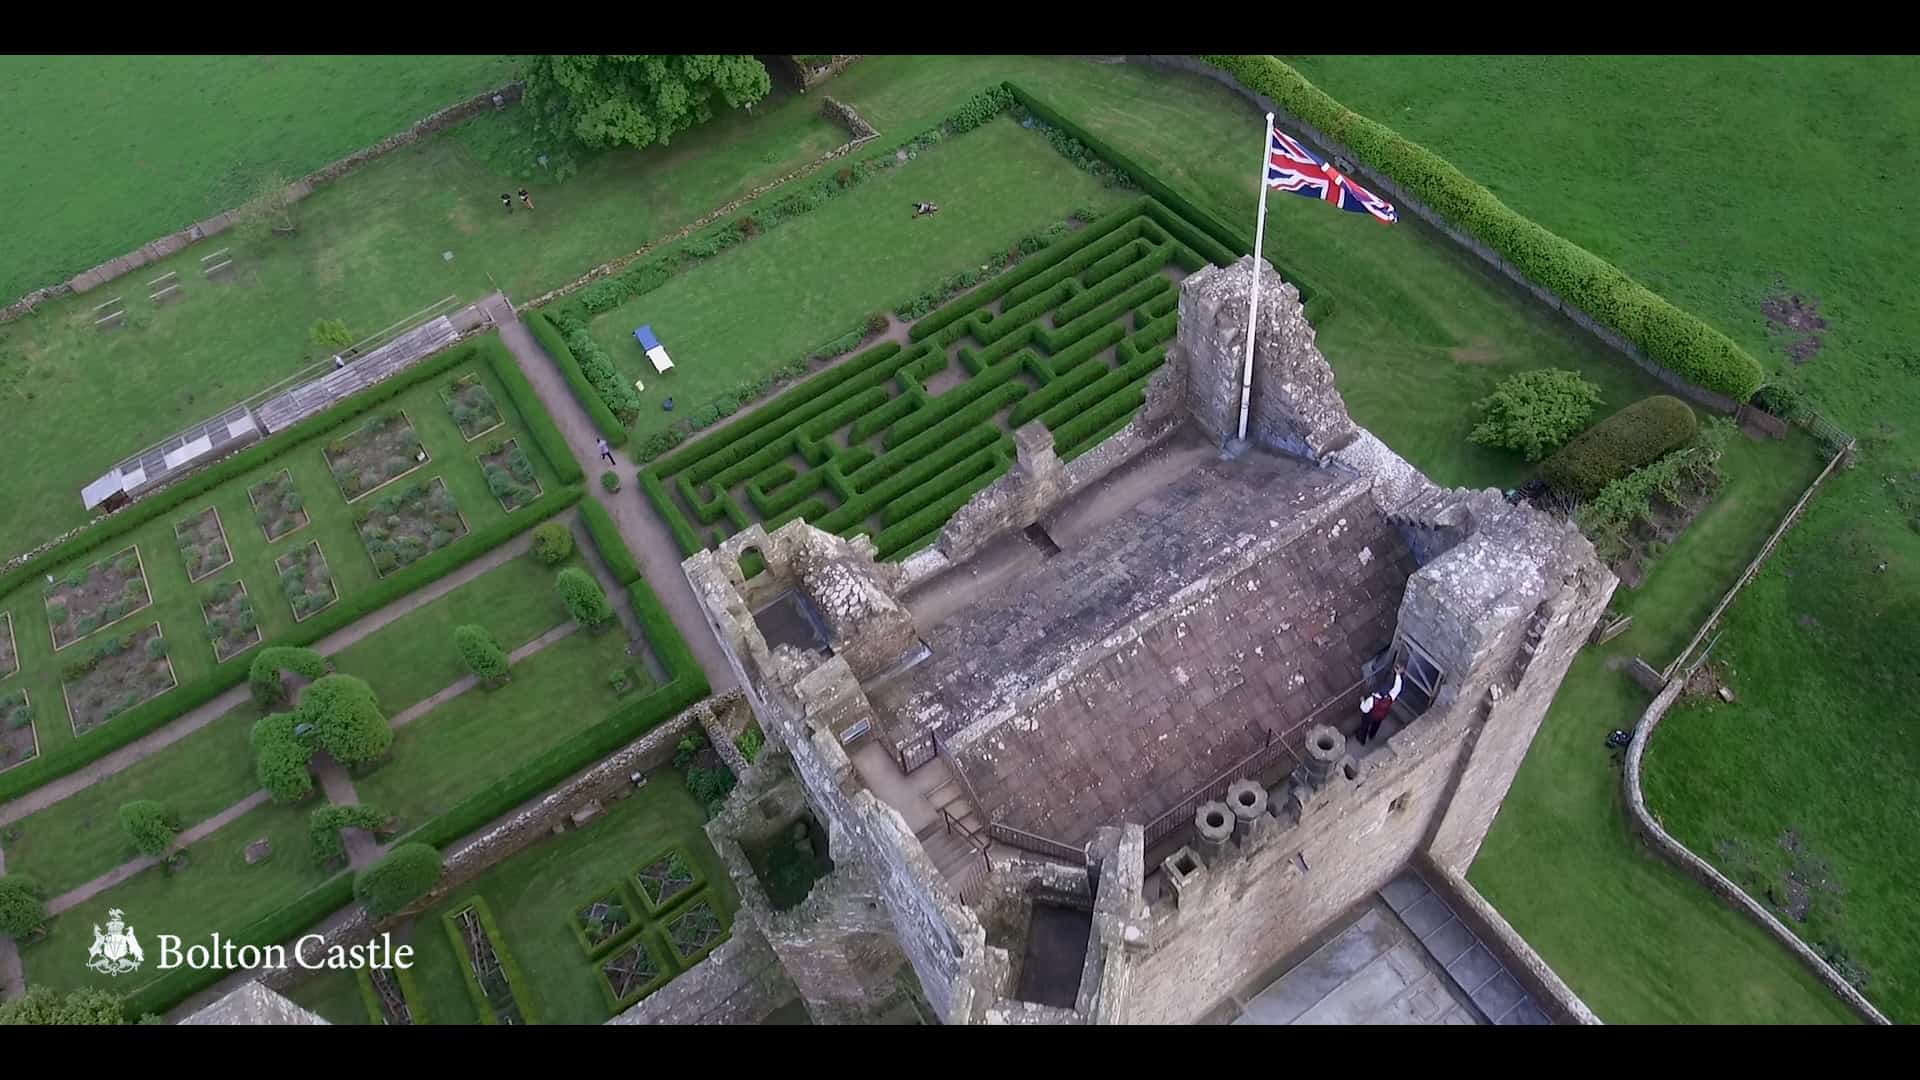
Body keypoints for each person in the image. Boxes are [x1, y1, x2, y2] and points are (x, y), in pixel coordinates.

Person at [1357, 663, 1404, 746]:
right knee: (1376, 725)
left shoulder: (1372, 700)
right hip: (1381, 715)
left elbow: (1364, 709)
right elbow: (1397, 688)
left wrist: (1362, 701)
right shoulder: (1390, 697)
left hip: (1370, 715)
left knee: (1364, 726)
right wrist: (1398, 675)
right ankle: (1372, 735)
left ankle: (1362, 740)